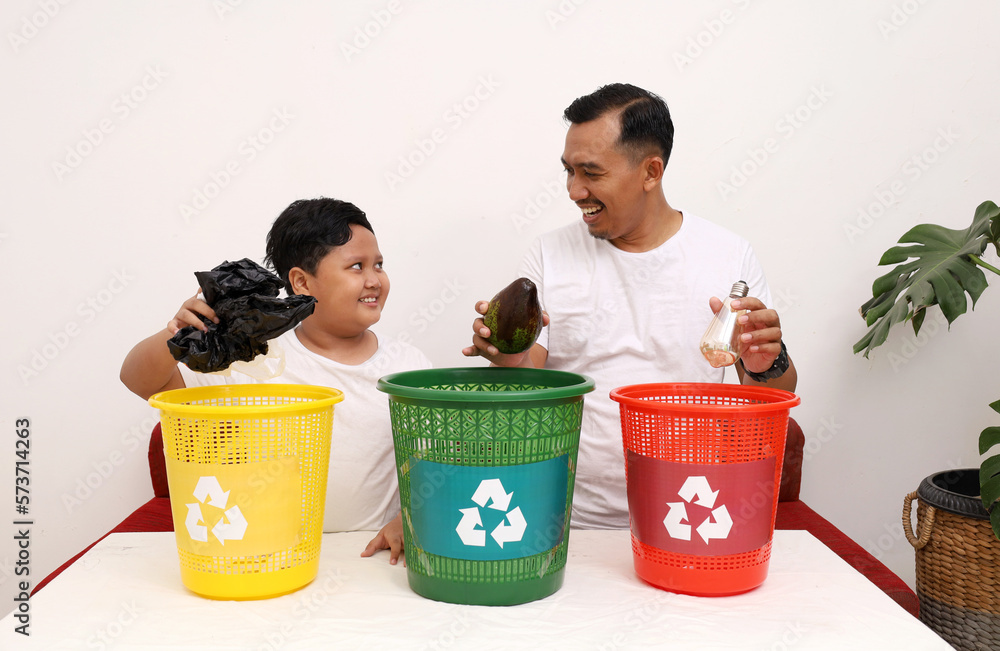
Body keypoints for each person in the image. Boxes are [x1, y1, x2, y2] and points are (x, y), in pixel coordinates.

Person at [463, 83, 797, 529]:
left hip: (691, 514)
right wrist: (506, 356)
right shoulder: (549, 255)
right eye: (568, 171)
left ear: (651, 171)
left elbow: (772, 400)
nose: (574, 190)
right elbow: (529, 382)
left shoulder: (728, 256)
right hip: (566, 516)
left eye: (591, 173)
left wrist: (764, 365)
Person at [121, 197, 431, 564]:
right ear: (301, 281)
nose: (374, 279)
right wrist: (175, 334)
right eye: (356, 266)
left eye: (379, 265)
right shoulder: (253, 356)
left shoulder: (409, 368)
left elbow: (443, 459)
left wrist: (407, 519)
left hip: (369, 555)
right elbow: (138, 379)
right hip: (270, 551)